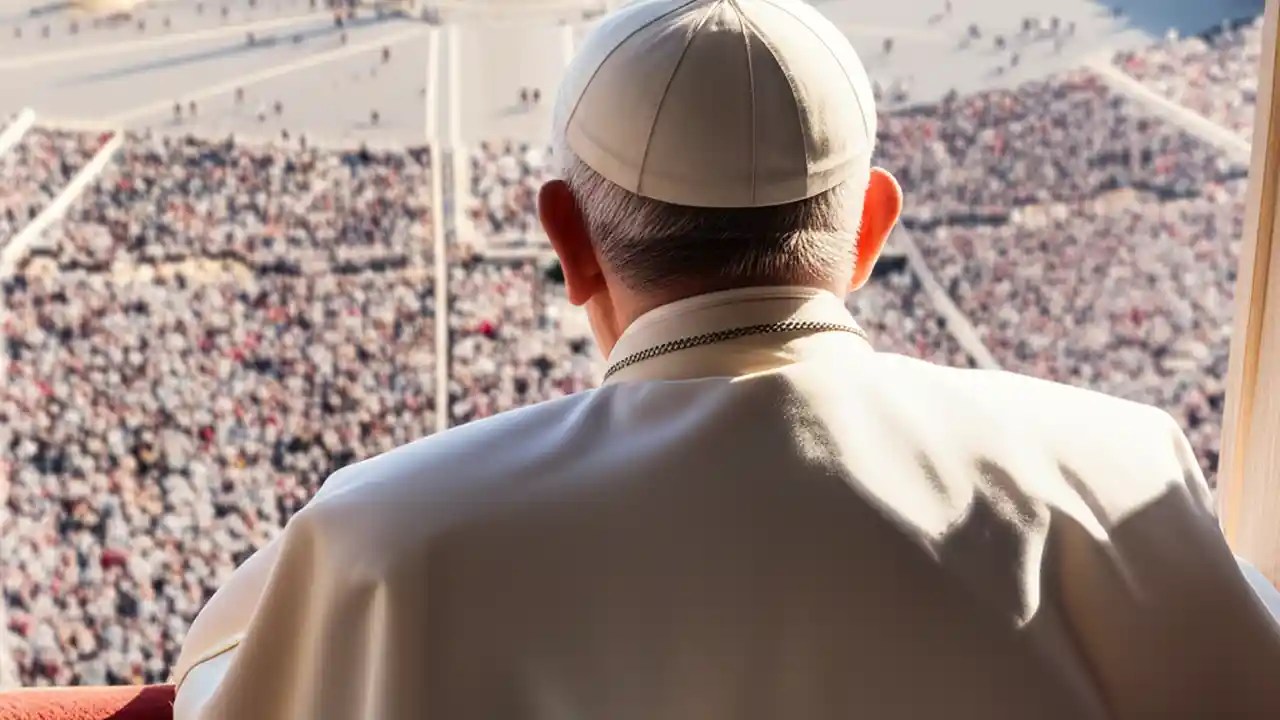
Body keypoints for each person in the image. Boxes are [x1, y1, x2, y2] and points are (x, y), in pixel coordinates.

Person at [171, 1, 1280, 718]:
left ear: (564, 235)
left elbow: (221, 685)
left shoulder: (387, 533)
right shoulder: (1118, 469)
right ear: (869, 227)